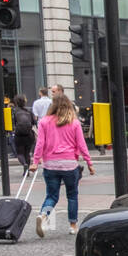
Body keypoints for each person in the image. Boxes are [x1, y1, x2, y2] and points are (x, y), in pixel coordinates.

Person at [31, 93, 95, 236]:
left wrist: (35, 162)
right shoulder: (74, 122)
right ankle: (73, 225)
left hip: (50, 164)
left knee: (52, 195)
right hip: (69, 164)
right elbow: (82, 144)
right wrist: (89, 162)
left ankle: (43, 215)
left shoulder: (44, 122)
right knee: (72, 195)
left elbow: (40, 143)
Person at [11, 94, 37, 171]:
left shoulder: (14, 111)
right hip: (29, 135)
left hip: (19, 135)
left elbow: (13, 123)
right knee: (27, 153)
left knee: (20, 153)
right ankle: (27, 170)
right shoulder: (29, 111)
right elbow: (34, 122)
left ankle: (24, 164)